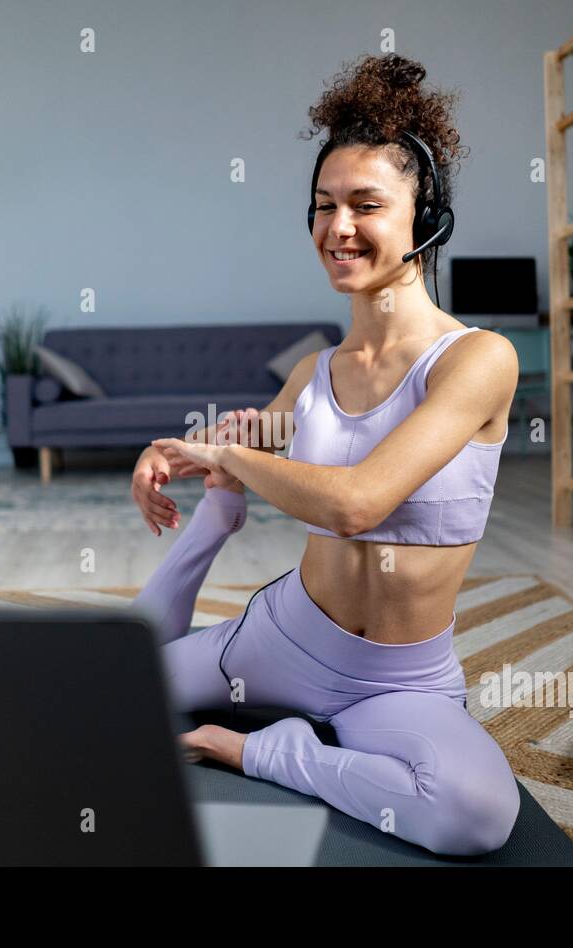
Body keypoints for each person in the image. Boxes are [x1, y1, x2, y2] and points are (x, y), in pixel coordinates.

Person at [129, 53, 521, 857]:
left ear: (428, 219)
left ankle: (254, 751)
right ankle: (214, 543)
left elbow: (353, 502)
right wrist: (183, 454)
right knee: (113, 691)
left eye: (367, 205)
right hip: (278, 642)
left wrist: (237, 461)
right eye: (323, 205)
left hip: (397, 681)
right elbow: (240, 452)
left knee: (476, 818)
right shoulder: (313, 375)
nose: (338, 228)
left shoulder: (476, 360)